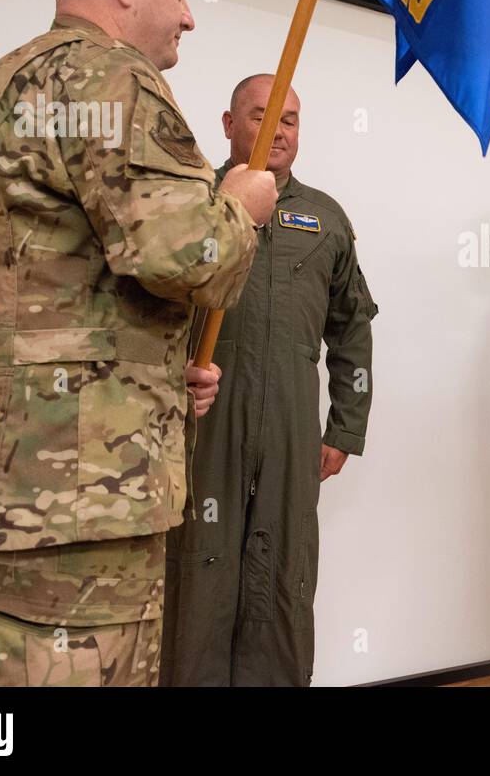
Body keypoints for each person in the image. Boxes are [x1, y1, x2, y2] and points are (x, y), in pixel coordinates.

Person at [0, 0, 278, 686]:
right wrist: (241, 205)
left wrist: (162, 377)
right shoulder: (109, 75)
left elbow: (54, 287)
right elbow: (184, 255)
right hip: (65, 514)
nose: (190, 16)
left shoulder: (1, 83)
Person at [161, 74, 378, 687]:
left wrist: (345, 425)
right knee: (199, 560)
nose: (277, 130)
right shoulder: (190, 204)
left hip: (289, 421)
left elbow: (353, 328)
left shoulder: (325, 218)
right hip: (202, 417)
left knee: (283, 563)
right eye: (260, 115)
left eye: (289, 120)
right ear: (229, 125)